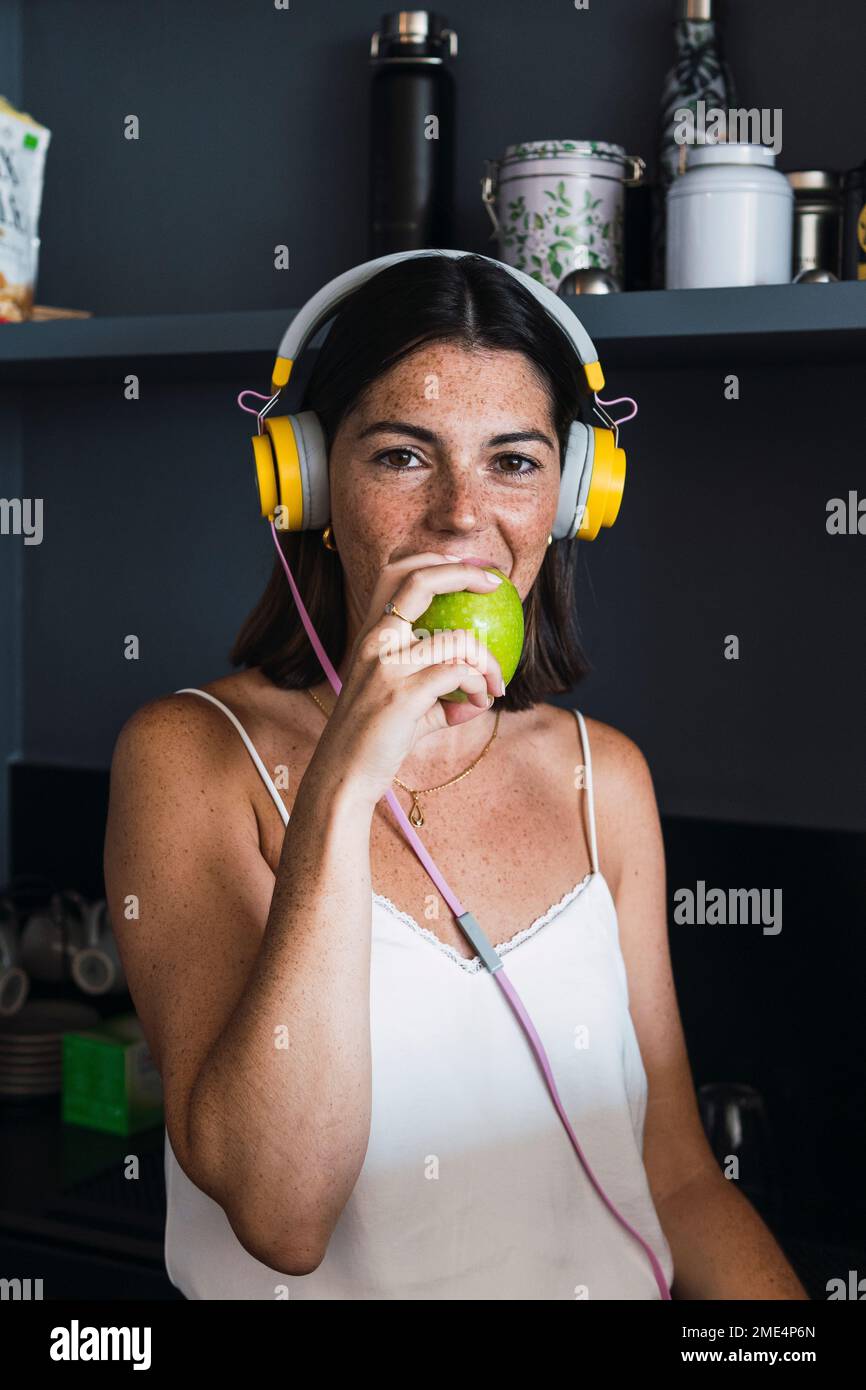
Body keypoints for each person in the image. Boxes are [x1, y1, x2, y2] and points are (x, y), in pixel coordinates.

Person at [103, 253, 807, 1300]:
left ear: (570, 499)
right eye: (400, 455)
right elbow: (281, 1214)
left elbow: (676, 1177)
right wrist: (344, 778)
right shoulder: (189, 755)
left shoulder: (600, 778)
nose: (459, 518)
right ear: (307, 486)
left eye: (512, 463)